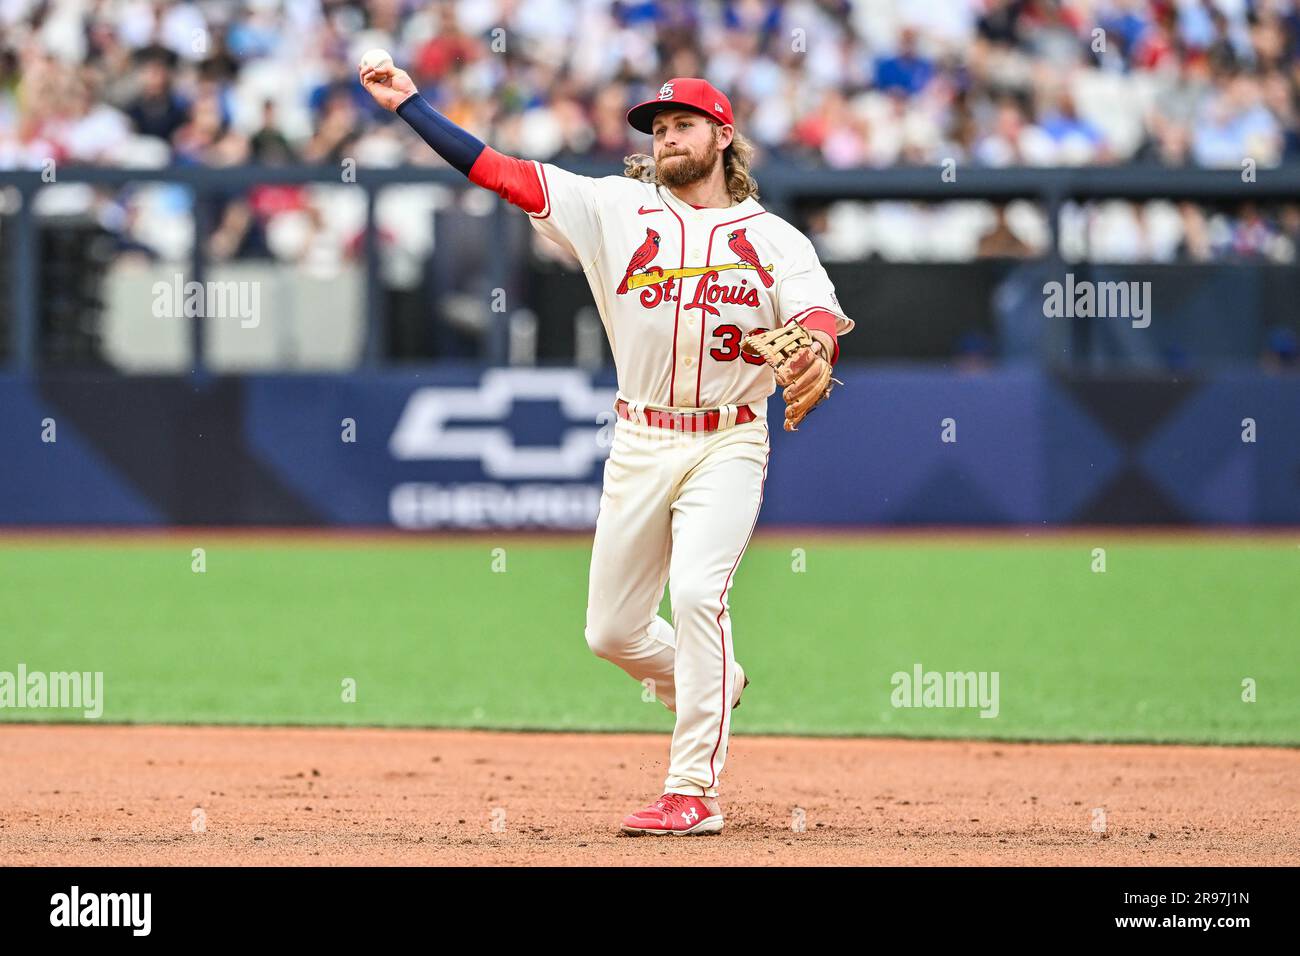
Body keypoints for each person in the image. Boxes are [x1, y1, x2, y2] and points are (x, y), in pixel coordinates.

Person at [360, 64, 854, 836]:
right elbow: (499, 171)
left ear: (723, 136)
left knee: (696, 596)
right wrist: (412, 107)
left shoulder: (772, 237)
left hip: (728, 440)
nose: (666, 138)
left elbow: (817, 313)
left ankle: (693, 791)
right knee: (612, 632)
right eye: (657, 130)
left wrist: (814, 348)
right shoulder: (612, 208)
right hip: (640, 437)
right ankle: (713, 679)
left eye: (682, 125)